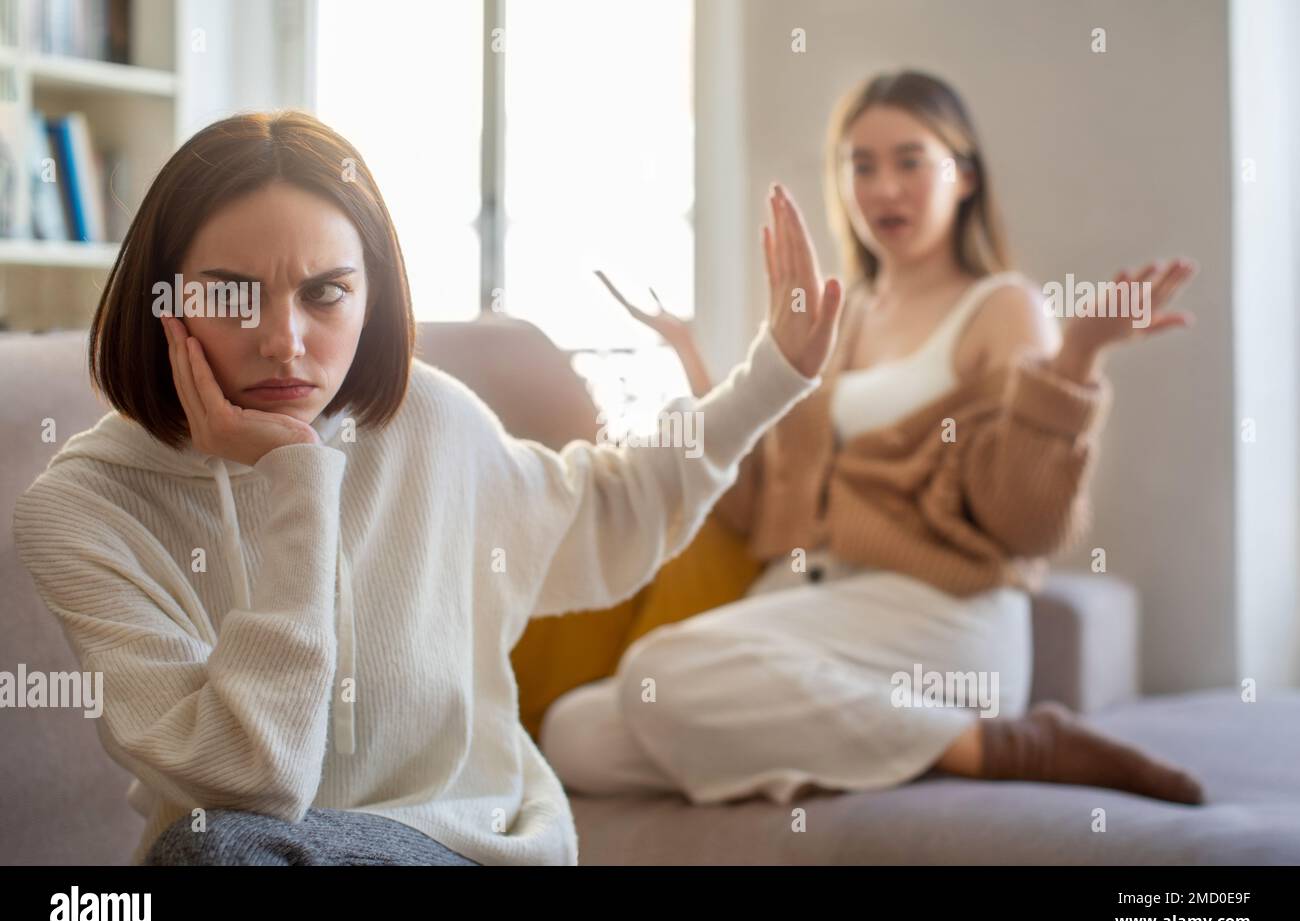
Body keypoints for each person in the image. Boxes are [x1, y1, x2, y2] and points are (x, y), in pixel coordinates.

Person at [12, 109, 843, 865]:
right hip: (250, 856)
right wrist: (297, 481)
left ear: (372, 298)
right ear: (164, 298)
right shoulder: (83, 510)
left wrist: (773, 377)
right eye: (232, 294)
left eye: (325, 292)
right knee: (210, 849)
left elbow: (613, 513)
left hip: (461, 846)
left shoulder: (431, 421)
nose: (284, 341)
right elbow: (252, 780)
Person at [540, 70, 1206, 809]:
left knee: (664, 669)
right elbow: (752, 509)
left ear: (965, 177)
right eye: (861, 165)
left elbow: (1026, 525)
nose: (884, 188)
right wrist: (692, 359)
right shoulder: (843, 314)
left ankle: (1013, 745)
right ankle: (879, 742)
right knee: (576, 734)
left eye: (910, 161)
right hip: (812, 607)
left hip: (936, 616)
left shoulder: (1002, 308)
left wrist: (1075, 362)